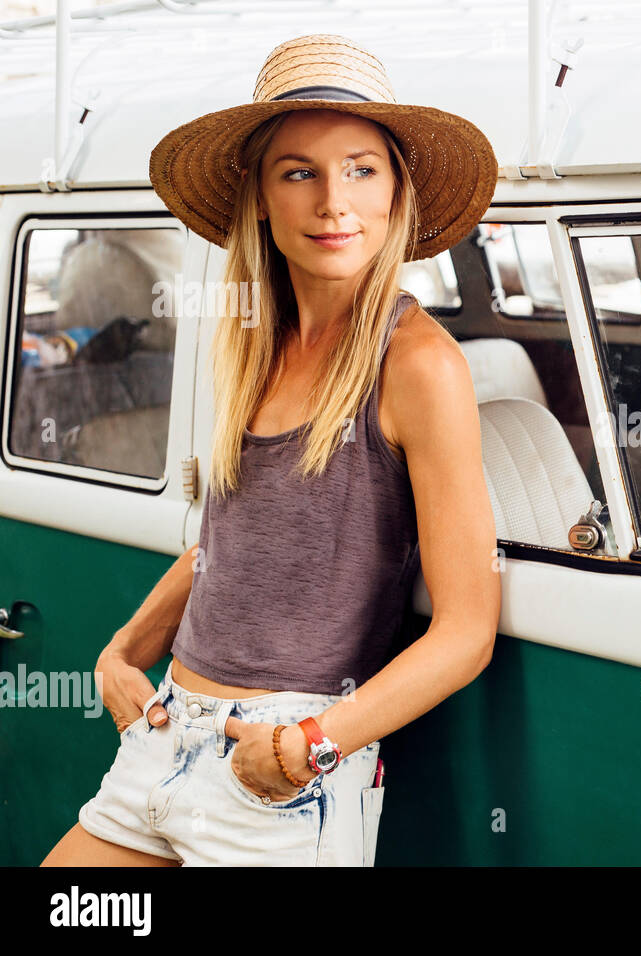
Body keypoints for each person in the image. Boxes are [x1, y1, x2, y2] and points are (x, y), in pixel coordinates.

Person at [41, 33, 501, 866]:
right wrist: (121, 651)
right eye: (300, 172)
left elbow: (467, 631)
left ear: (396, 190)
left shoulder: (420, 364)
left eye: (361, 168)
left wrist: (306, 746)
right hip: (165, 734)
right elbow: (226, 543)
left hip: (287, 771)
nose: (334, 202)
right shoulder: (254, 339)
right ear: (260, 196)